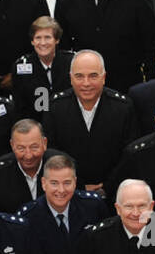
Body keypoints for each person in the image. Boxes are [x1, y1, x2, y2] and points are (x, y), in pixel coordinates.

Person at [44, 50, 138, 190]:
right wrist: (79, 185)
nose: (86, 83)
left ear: (104, 77)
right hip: (69, 191)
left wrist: (107, 186)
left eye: (93, 76)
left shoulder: (123, 107)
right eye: (79, 76)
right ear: (70, 78)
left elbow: (129, 154)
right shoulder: (55, 107)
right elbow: (52, 152)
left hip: (115, 192)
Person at [0, 119, 62, 213]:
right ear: (12, 145)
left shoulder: (63, 167)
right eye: (21, 148)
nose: (28, 155)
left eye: (34, 147)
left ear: (44, 143)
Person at [9, 16, 75, 122]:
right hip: (36, 125)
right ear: (32, 41)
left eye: (48, 37)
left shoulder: (72, 62)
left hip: (68, 121)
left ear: (57, 40)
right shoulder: (20, 67)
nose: (43, 43)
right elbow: (20, 107)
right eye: (38, 38)